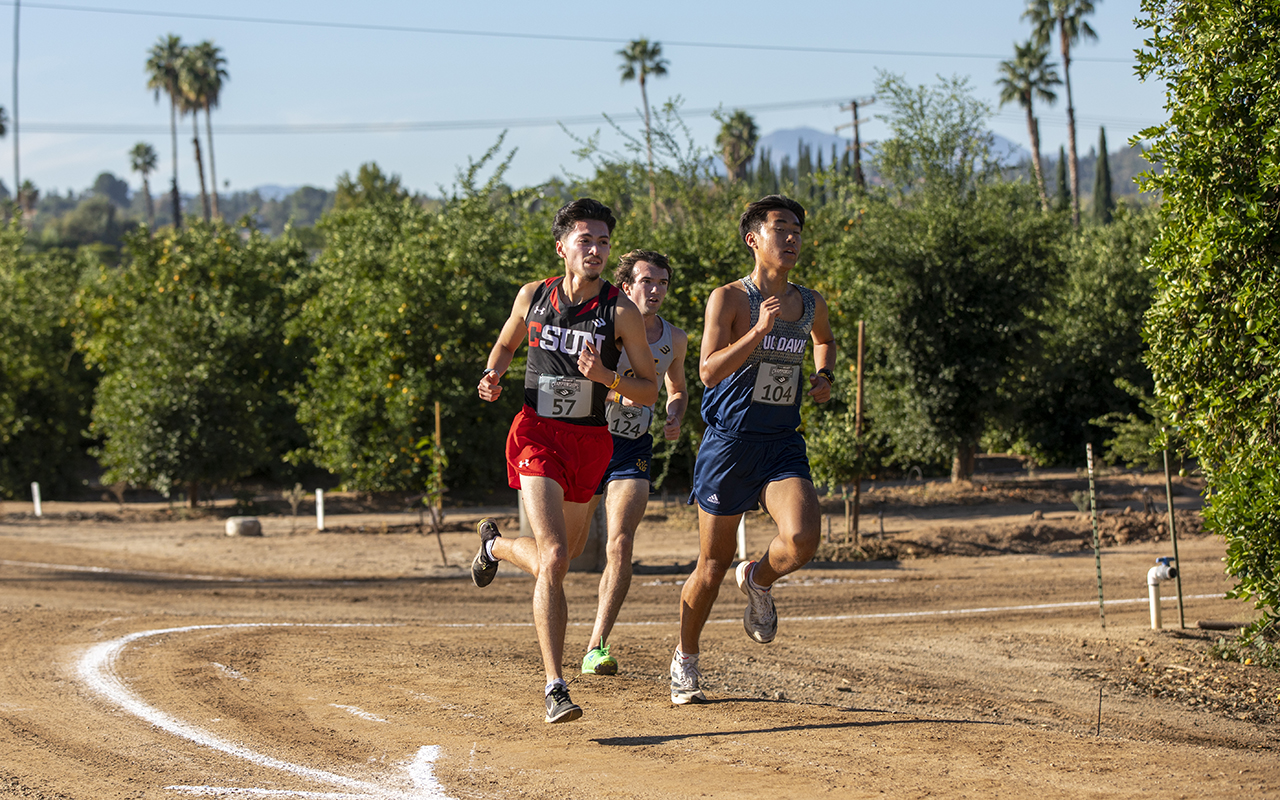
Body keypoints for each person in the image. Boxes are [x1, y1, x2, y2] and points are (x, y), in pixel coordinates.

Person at [473, 198, 658, 724]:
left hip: (590, 441)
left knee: (565, 556)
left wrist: (606, 378)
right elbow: (507, 344)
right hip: (537, 435)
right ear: (562, 248)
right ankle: (556, 685)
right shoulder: (534, 295)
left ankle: (496, 544)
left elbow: (646, 390)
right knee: (555, 557)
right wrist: (493, 374)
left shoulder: (619, 311)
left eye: (603, 242)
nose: (597, 251)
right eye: (586, 241)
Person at [671, 194, 836, 705]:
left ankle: (759, 580)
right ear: (753, 239)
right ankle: (686, 657)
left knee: (804, 539)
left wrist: (824, 374)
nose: (791, 238)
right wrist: (759, 333)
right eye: (779, 228)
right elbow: (707, 371)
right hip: (729, 445)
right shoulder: (729, 299)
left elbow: (824, 339)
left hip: (781, 443)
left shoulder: (808, 302)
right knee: (712, 565)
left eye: (796, 230)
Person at [579, 250, 688, 677]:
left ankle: (596, 646)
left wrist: (675, 414)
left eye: (662, 282)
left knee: (620, 542)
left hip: (632, 445)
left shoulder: (674, 338)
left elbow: (675, 387)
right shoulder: (601, 328)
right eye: (648, 282)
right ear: (626, 287)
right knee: (565, 550)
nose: (657, 290)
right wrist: (613, 387)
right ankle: (495, 546)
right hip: (587, 440)